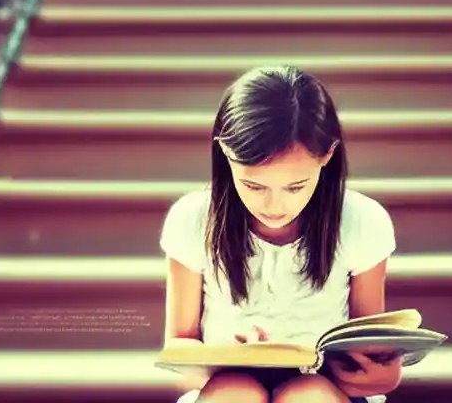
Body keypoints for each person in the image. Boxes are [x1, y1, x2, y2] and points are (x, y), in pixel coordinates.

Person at [161, 64, 404, 402]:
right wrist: (221, 357)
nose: (274, 205)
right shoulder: (192, 220)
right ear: (225, 155)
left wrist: (382, 374)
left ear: (327, 156)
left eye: (295, 187)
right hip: (224, 386)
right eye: (253, 185)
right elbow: (178, 360)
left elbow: (366, 346)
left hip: (326, 390)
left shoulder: (361, 221)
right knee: (237, 393)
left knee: (308, 396)